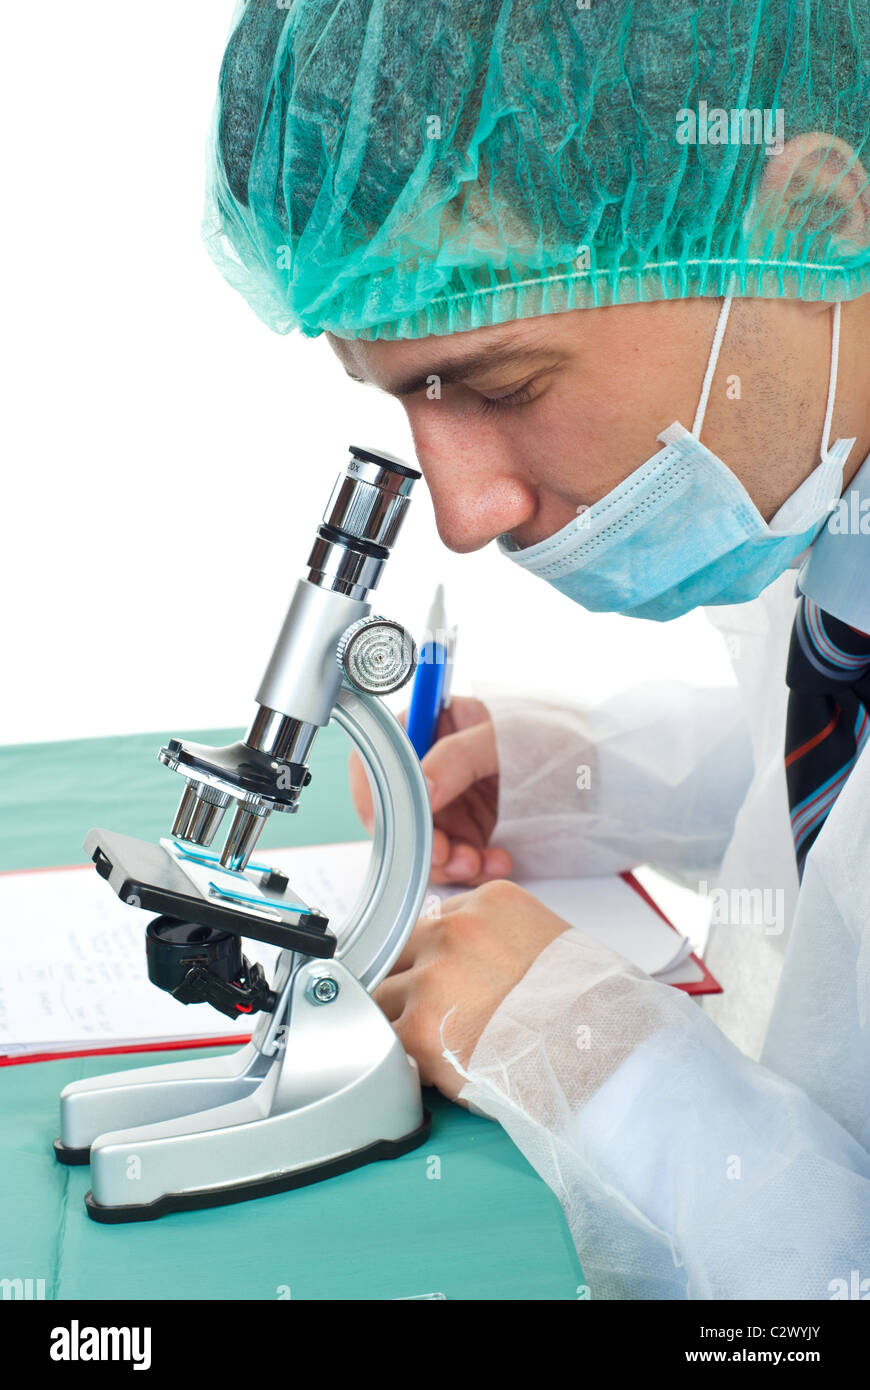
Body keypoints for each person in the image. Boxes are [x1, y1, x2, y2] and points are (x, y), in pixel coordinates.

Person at [202, 0, 870, 1297]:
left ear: (816, 222)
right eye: (403, 397)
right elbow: (829, 755)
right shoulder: (815, 475)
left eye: (505, 387)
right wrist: (588, 776)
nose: (460, 517)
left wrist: (619, 1075)